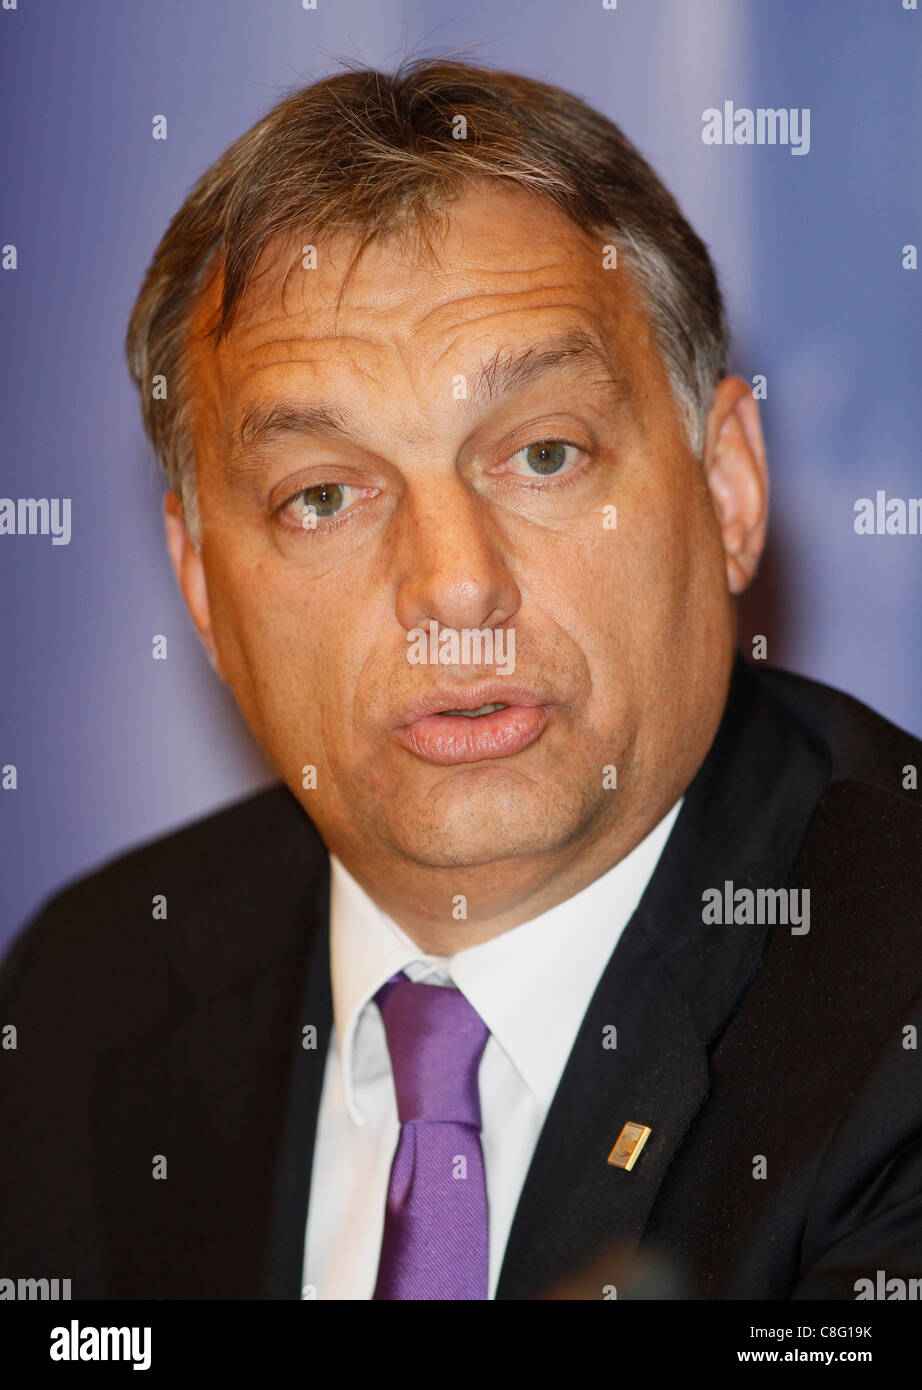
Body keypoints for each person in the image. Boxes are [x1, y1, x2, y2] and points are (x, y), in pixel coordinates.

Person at [2, 58, 920, 1302]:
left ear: (726, 488)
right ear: (204, 589)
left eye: (543, 454)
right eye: (321, 496)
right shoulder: (84, 994)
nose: (452, 587)